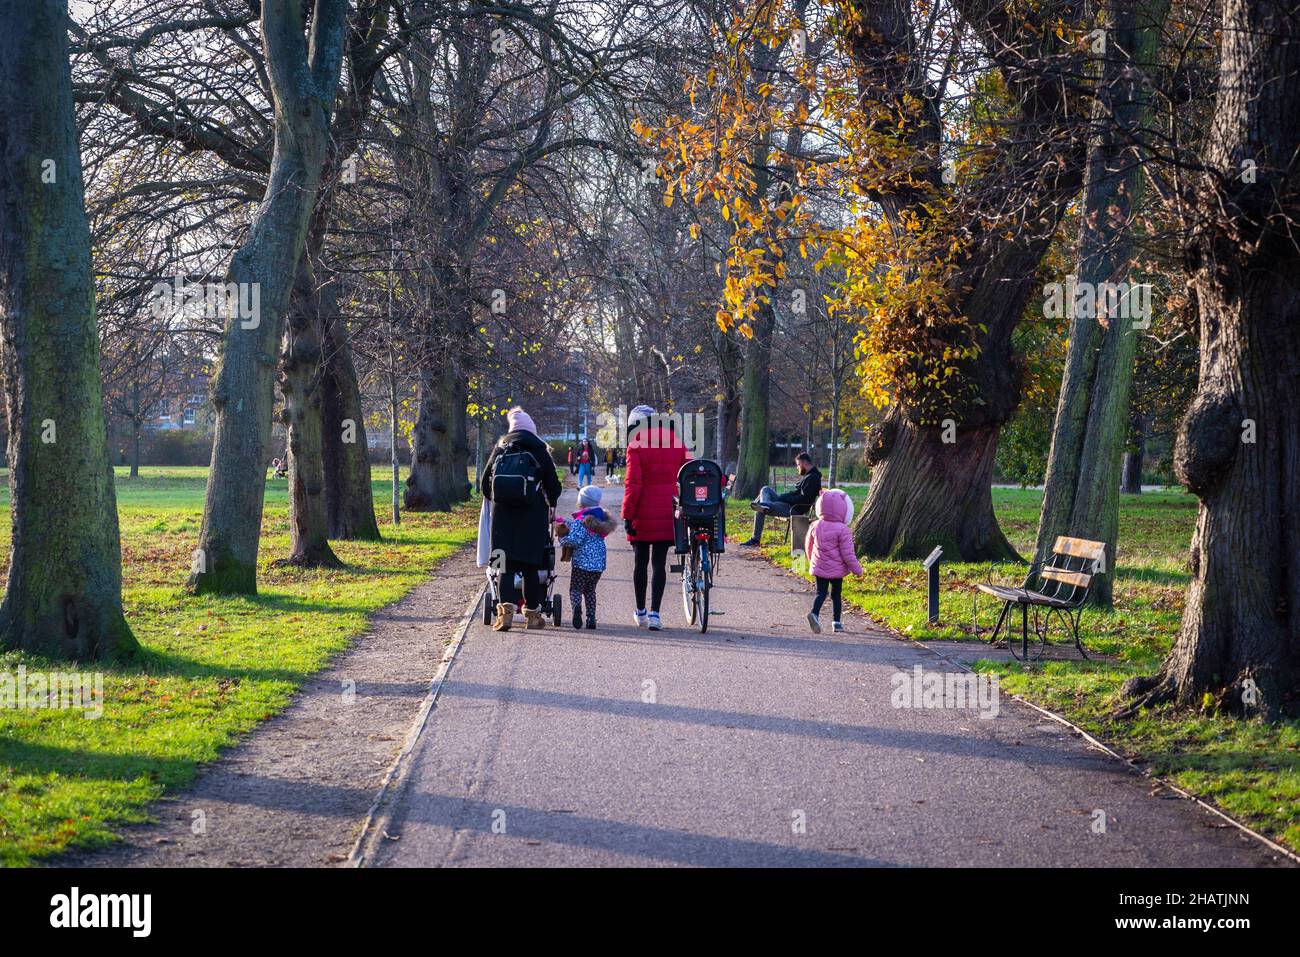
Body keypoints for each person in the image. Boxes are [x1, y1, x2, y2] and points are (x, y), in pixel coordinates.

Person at [480, 407, 562, 631]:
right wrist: (550, 504)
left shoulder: (501, 447)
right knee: (530, 568)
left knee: (502, 566)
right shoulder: (539, 450)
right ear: (531, 429)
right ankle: (532, 616)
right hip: (532, 520)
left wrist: (497, 501)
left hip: (501, 519)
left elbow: (485, 483)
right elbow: (554, 487)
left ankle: (504, 615)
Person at [621, 404, 689, 630]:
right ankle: (655, 614)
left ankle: (640, 611)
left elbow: (633, 484)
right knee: (659, 563)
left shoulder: (636, 445)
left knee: (640, 562)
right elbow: (688, 472)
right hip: (668, 510)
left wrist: (627, 515)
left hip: (642, 511)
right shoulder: (676, 441)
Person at [557, 485, 618, 629]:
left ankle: (576, 608)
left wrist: (561, 540)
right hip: (598, 564)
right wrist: (564, 521)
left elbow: (574, 540)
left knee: (576, 589)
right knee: (590, 590)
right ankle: (591, 618)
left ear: (581, 503)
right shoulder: (601, 521)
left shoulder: (581, 521)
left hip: (581, 564)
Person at [803, 488, 863, 633]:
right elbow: (848, 553)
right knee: (836, 595)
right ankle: (836, 622)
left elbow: (808, 545)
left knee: (820, 593)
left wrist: (811, 560)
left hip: (819, 567)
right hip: (836, 570)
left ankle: (815, 614)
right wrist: (857, 570)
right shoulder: (843, 530)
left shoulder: (815, 525)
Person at [739, 451, 822, 545]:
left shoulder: (813, 478)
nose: (797, 467)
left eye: (798, 464)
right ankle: (766, 506)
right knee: (765, 489)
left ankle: (755, 539)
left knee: (759, 508)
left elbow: (804, 499)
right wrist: (783, 497)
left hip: (794, 508)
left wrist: (784, 498)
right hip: (788, 504)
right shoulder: (808, 476)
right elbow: (797, 493)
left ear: (804, 463)